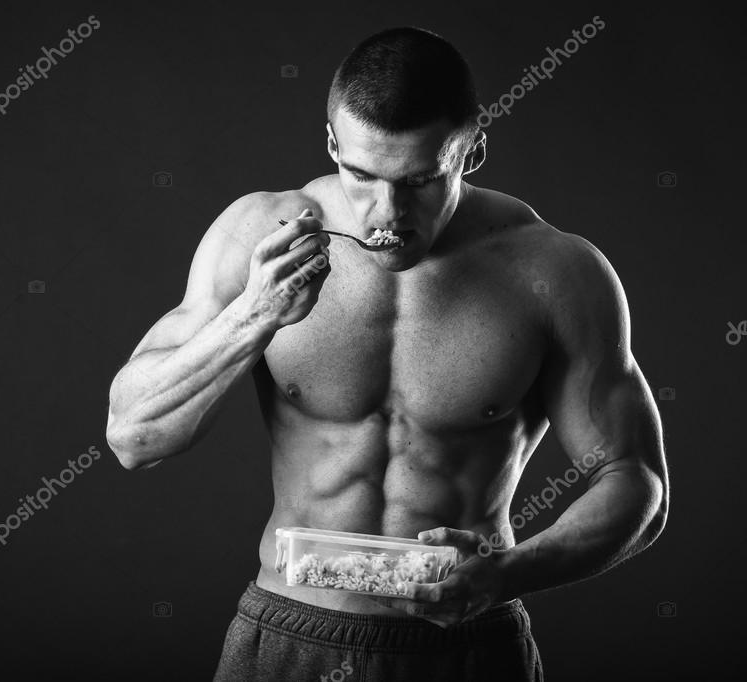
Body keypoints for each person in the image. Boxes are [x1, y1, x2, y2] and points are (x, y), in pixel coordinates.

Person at [105, 25, 669, 682]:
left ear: (472, 152)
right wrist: (252, 318)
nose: (385, 214)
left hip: (465, 646)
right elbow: (133, 437)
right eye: (360, 174)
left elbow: (636, 484)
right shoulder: (258, 237)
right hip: (290, 632)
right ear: (330, 144)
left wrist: (509, 572)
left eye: (419, 180)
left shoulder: (553, 272)